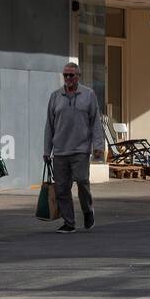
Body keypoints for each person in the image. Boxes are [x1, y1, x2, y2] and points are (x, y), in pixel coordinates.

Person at [43, 62, 104, 233]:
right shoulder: (56, 96)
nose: (68, 78)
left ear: (78, 76)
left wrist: (98, 145)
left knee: (83, 182)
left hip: (81, 149)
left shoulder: (88, 95)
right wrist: (47, 150)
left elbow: (96, 122)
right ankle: (69, 222)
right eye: (65, 75)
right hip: (60, 150)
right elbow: (49, 125)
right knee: (62, 188)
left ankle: (87, 210)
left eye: (71, 75)